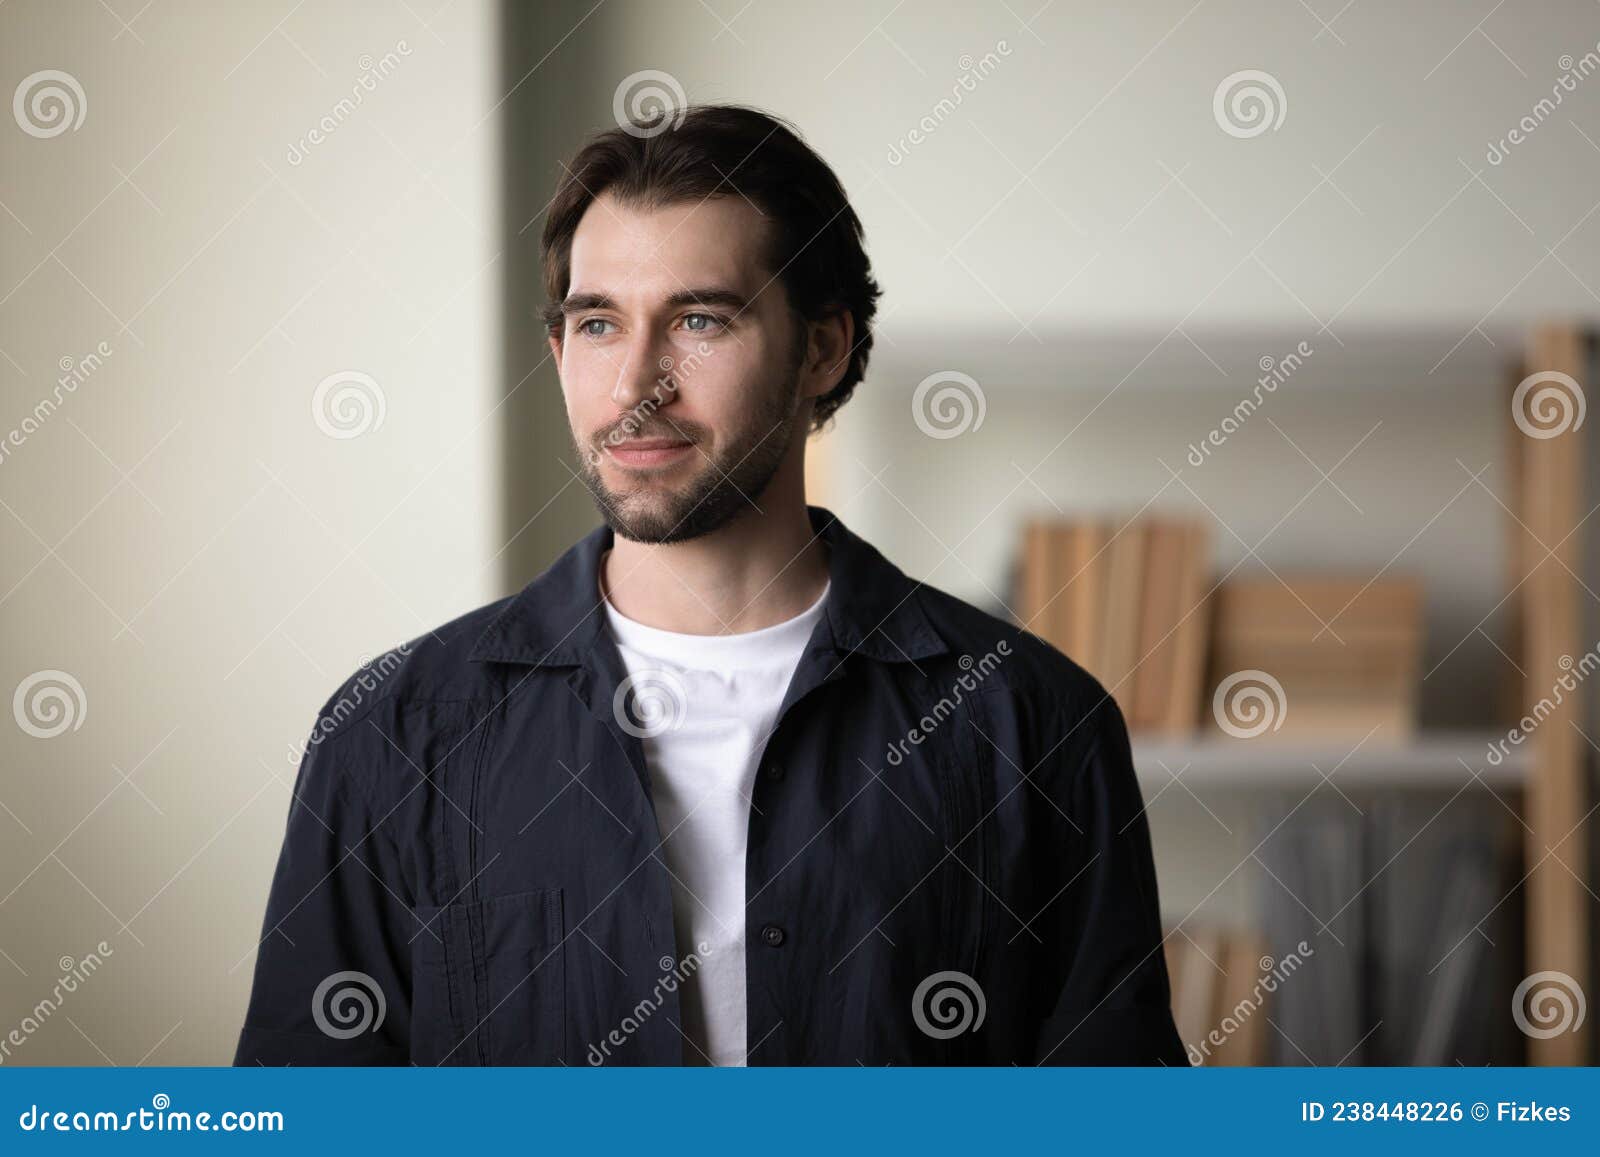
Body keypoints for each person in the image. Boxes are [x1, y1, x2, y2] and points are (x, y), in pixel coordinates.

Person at [233, 103, 1185, 1067]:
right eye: (598, 324)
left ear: (821, 349)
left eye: (698, 320)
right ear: (560, 353)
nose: (635, 385)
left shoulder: (1031, 724)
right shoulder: (395, 732)